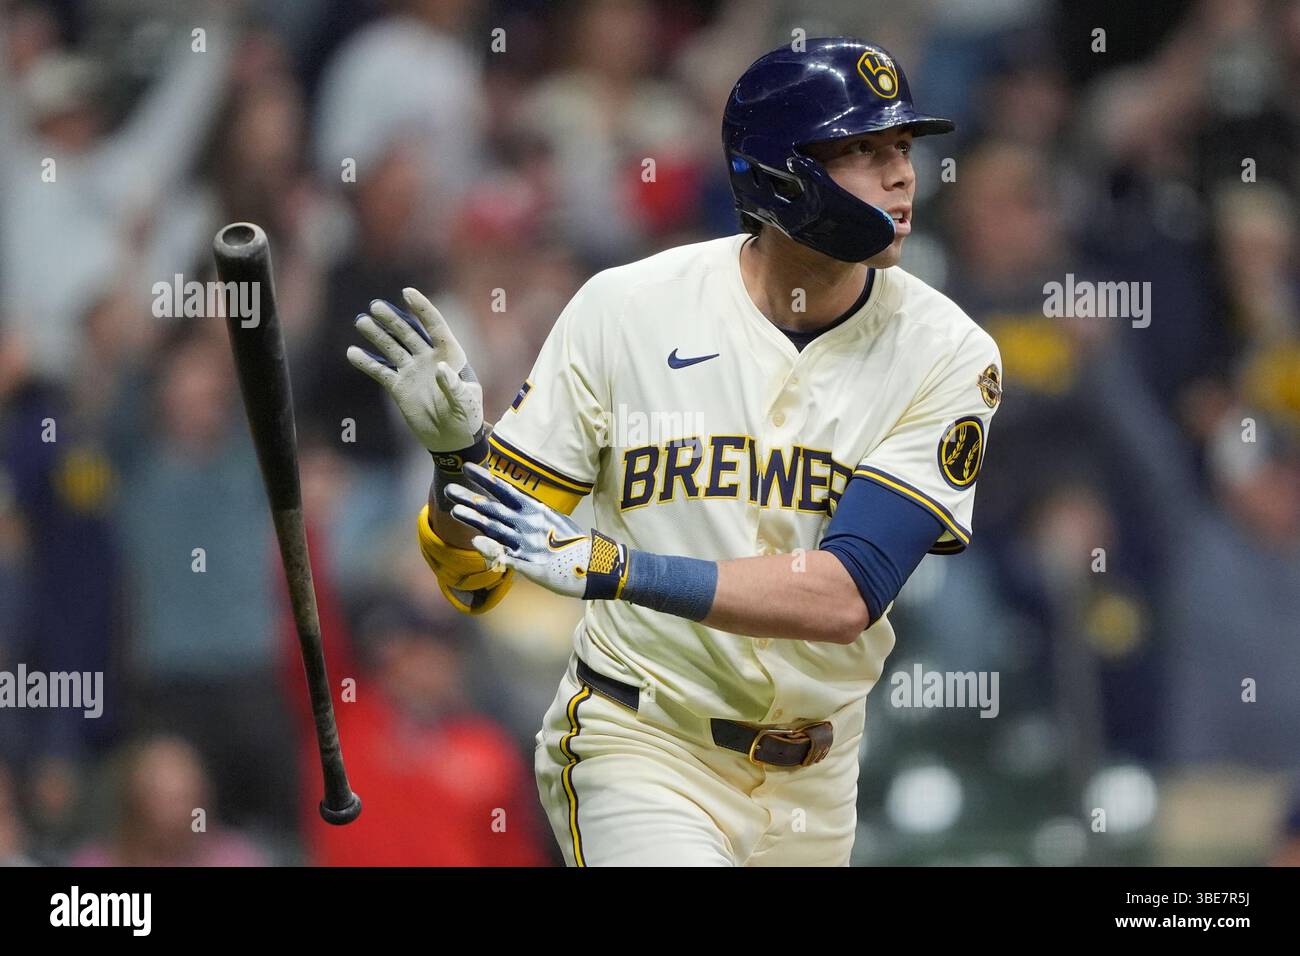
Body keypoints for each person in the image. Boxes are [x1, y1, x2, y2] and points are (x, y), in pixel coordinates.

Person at [347, 38, 1003, 866]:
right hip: (642, 744)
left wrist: (617, 569)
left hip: (817, 779)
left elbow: (846, 594)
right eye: (863, 151)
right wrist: (456, 461)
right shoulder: (629, 310)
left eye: (903, 149)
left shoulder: (949, 351)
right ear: (779, 171)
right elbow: (474, 578)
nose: (903, 175)